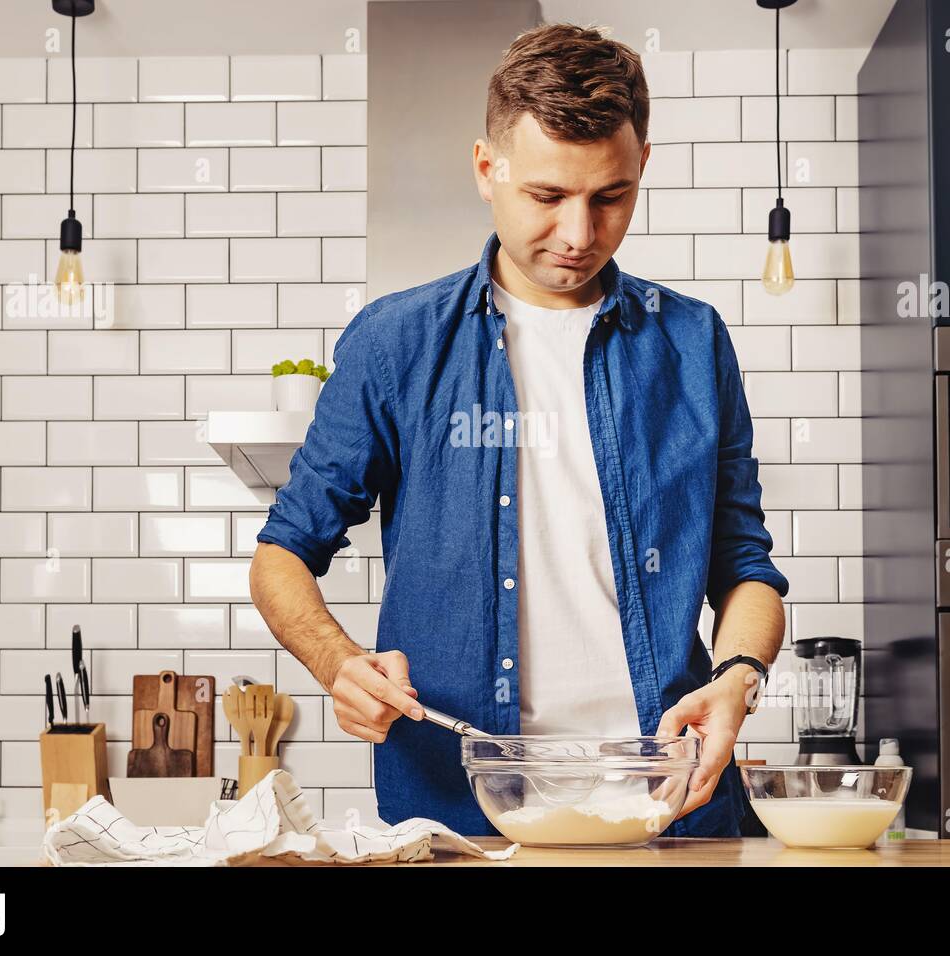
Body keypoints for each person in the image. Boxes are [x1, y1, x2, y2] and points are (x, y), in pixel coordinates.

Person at [250, 22, 788, 837]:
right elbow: (282, 555)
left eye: (610, 197)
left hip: (673, 810)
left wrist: (739, 674)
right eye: (546, 196)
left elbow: (744, 567)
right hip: (459, 818)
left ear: (643, 166)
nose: (578, 234)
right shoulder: (396, 344)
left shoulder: (694, 341)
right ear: (486, 168)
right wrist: (339, 663)